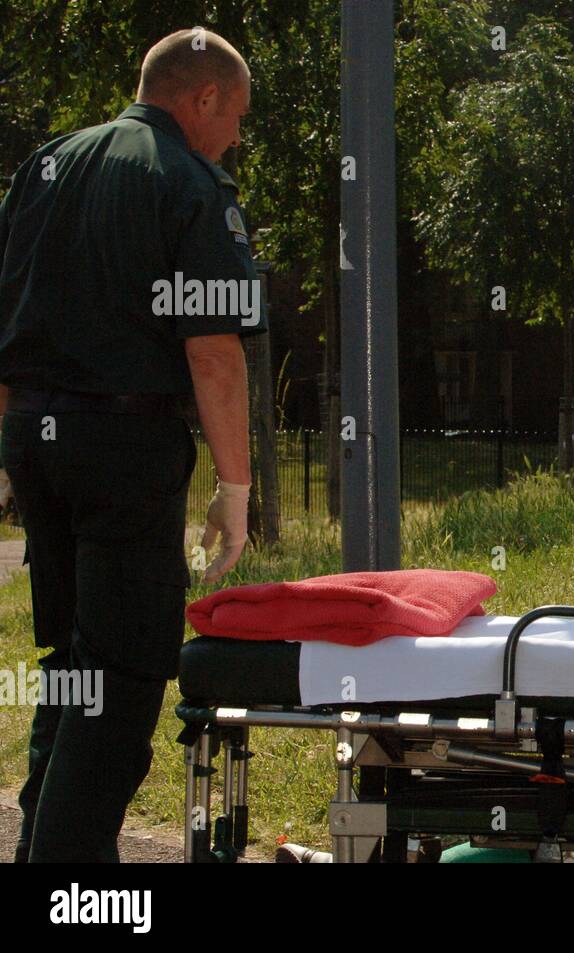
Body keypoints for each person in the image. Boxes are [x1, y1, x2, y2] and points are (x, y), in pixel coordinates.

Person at [0, 28, 266, 862]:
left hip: (36, 436)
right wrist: (236, 487)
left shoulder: (46, 165)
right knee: (122, 677)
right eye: (238, 118)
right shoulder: (186, 182)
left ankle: (48, 835)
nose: (235, 138)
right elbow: (214, 350)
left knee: (74, 655)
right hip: (123, 442)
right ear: (206, 97)